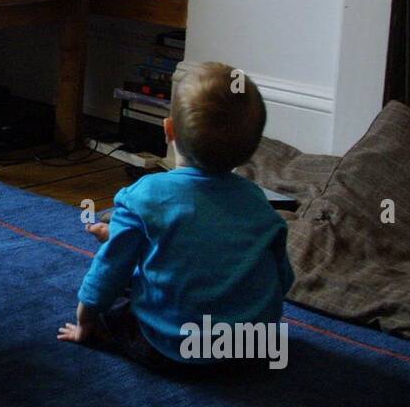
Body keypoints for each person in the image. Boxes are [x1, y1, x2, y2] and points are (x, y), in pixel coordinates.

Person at [57, 62, 294, 367]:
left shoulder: (146, 196)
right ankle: (121, 235)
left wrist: (86, 322)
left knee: (122, 296)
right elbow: (283, 279)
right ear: (253, 149)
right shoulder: (257, 201)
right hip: (250, 351)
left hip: (171, 349)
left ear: (168, 130)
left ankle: (122, 238)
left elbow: (106, 274)